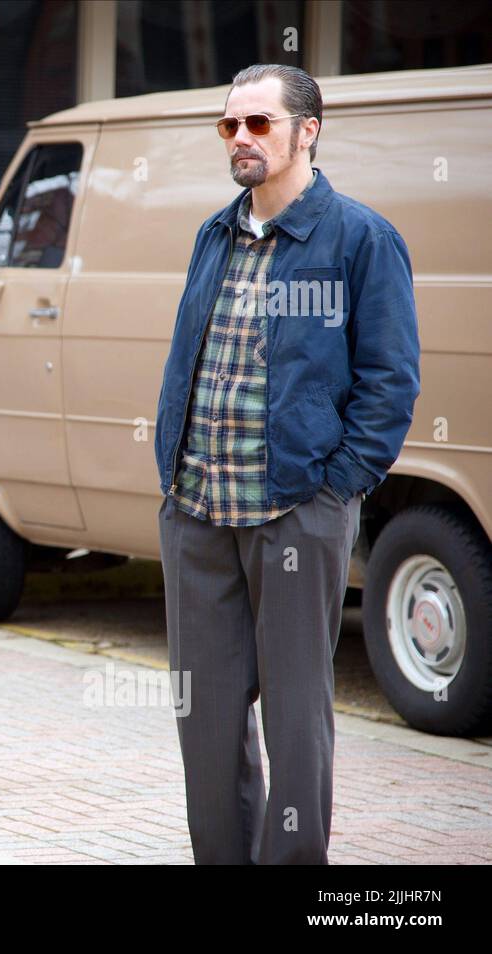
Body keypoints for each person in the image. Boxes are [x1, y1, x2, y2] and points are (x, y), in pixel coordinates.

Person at [153, 63, 421, 864]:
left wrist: (337, 487)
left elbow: (390, 381)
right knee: (203, 719)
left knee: (297, 720)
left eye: (259, 123)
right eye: (230, 126)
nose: (241, 138)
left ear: (307, 131)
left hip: (295, 512)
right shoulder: (214, 233)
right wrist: (172, 474)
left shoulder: (361, 239)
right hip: (198, 511)